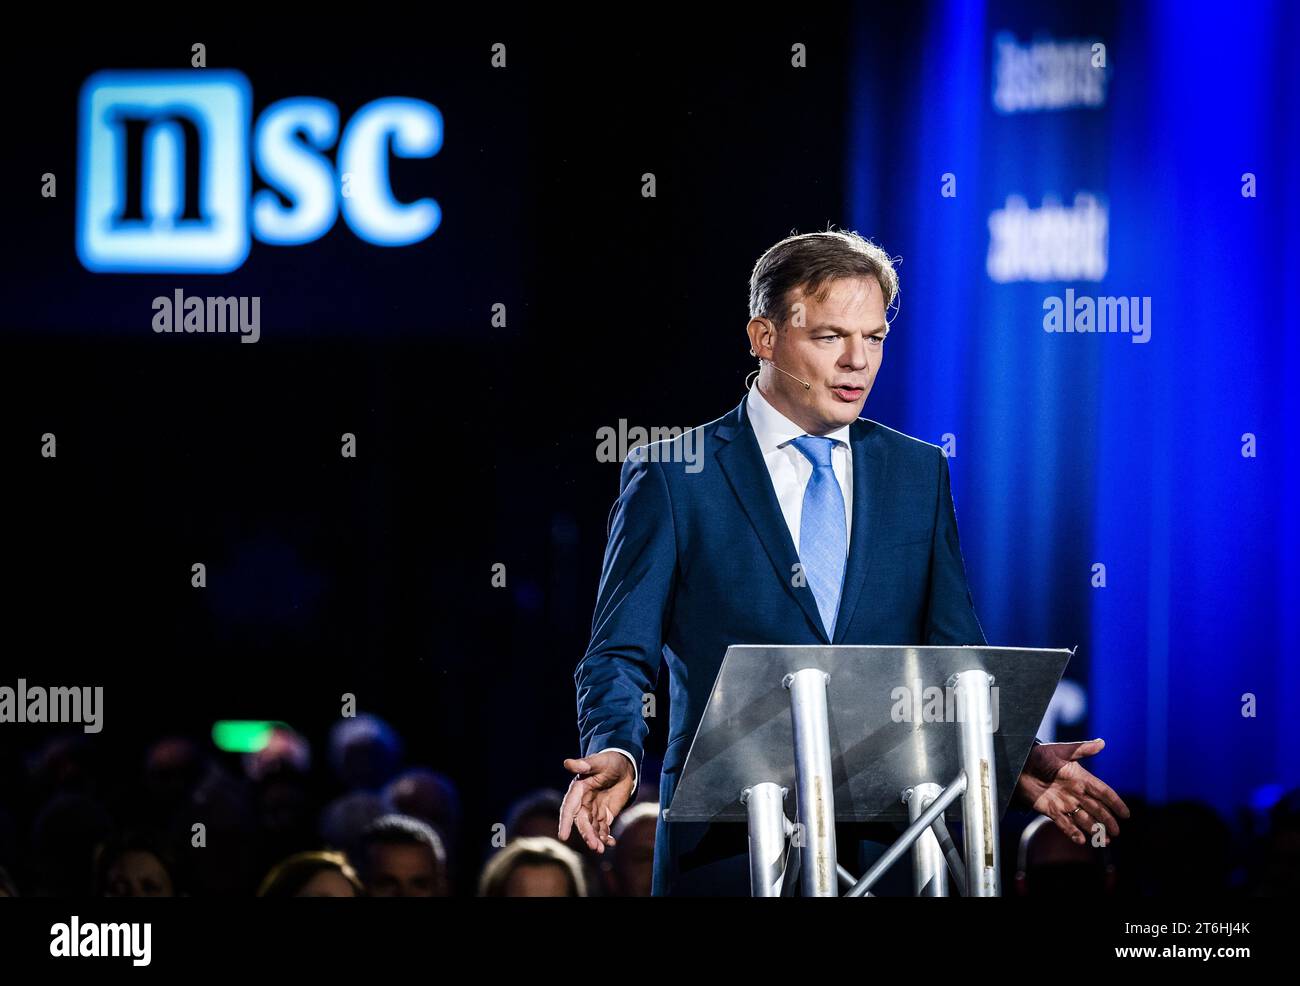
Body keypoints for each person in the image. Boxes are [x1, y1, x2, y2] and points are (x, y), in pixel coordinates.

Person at [560, 229, 1130, 895]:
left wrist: (1008, 757)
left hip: (894, 844)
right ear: (764, 337)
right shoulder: (675, 476)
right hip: (727, 847)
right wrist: (617, 749)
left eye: (876, 338)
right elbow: (617, 655)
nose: (859, 361)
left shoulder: (917, 472)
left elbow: (955, 657)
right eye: (831, 337)